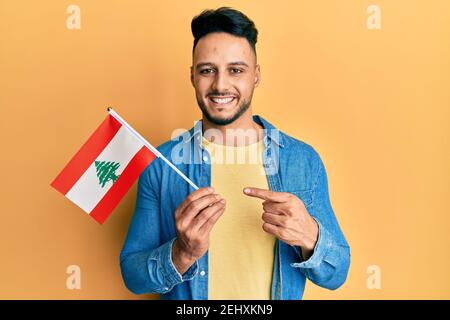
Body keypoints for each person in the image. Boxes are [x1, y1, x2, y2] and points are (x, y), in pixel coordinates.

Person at [120, 7, 350, 300]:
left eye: (236, 70)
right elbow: (133, 275)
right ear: (192, 76)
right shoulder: (161, 166)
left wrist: (310, 237)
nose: (220, 85)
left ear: (256, 75)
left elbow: (337, 273)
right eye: (207, 70)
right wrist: (181, 253)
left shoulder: (302, 161)